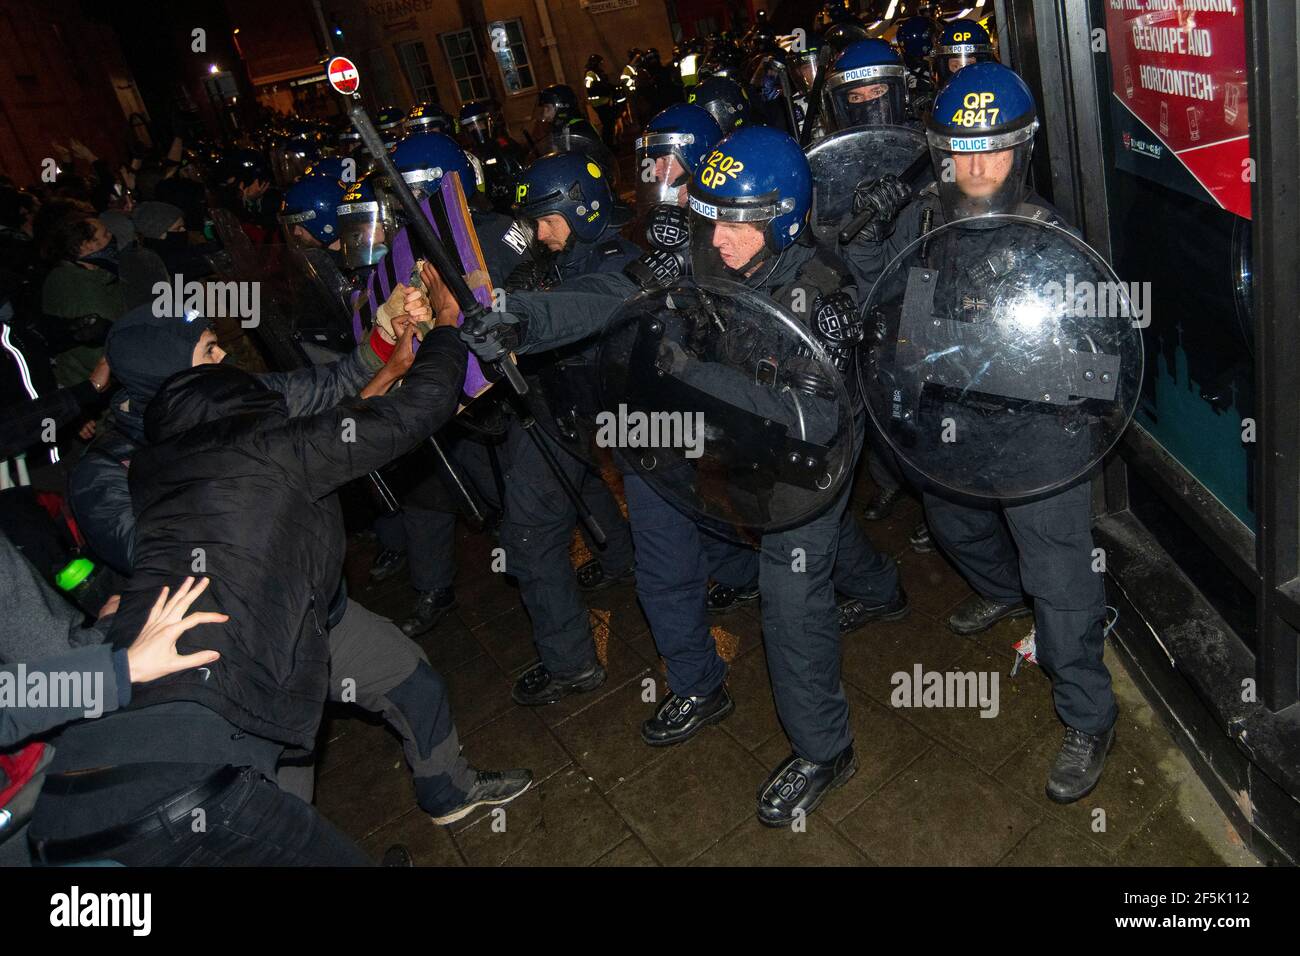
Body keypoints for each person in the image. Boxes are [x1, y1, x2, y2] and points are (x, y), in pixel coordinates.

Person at [453, 126, 907, 825]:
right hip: (705, 440)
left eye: (737, 224)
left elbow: (815, 423)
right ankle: (703, 682)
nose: (718, 240)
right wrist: (521, 319)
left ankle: (825, 748)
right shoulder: (705, 250)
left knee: (792, 602)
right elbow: (614, 296)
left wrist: (694, 377)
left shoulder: (825, 294)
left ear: (782, 215)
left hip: (801, 469)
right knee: (662, 553)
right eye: (710, 219)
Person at [29, 301, 531, 866]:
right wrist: (440, 334)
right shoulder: (111, 469)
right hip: (227, 658)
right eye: (209, 351)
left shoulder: (230, 399)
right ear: (168, 374)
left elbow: (327, 388)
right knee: (277, 796)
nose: (226, 357)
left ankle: (448, 792)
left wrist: (383, 340)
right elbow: (188, 547)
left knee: (413, 683)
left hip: (318, 618)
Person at [845, 62, 1118, 803]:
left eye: (990, 149)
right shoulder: (931, 221)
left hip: (1038, 435)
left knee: (1058, 577)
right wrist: (869, 237)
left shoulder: (1055, 240)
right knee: (952, 522)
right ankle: (999, 591)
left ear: (1021, 150)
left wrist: (975, 356)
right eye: (960, 151)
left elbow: (1097, 374)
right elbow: (888, 308)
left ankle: (1088, 716)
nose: (974, 166)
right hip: (956, 426)